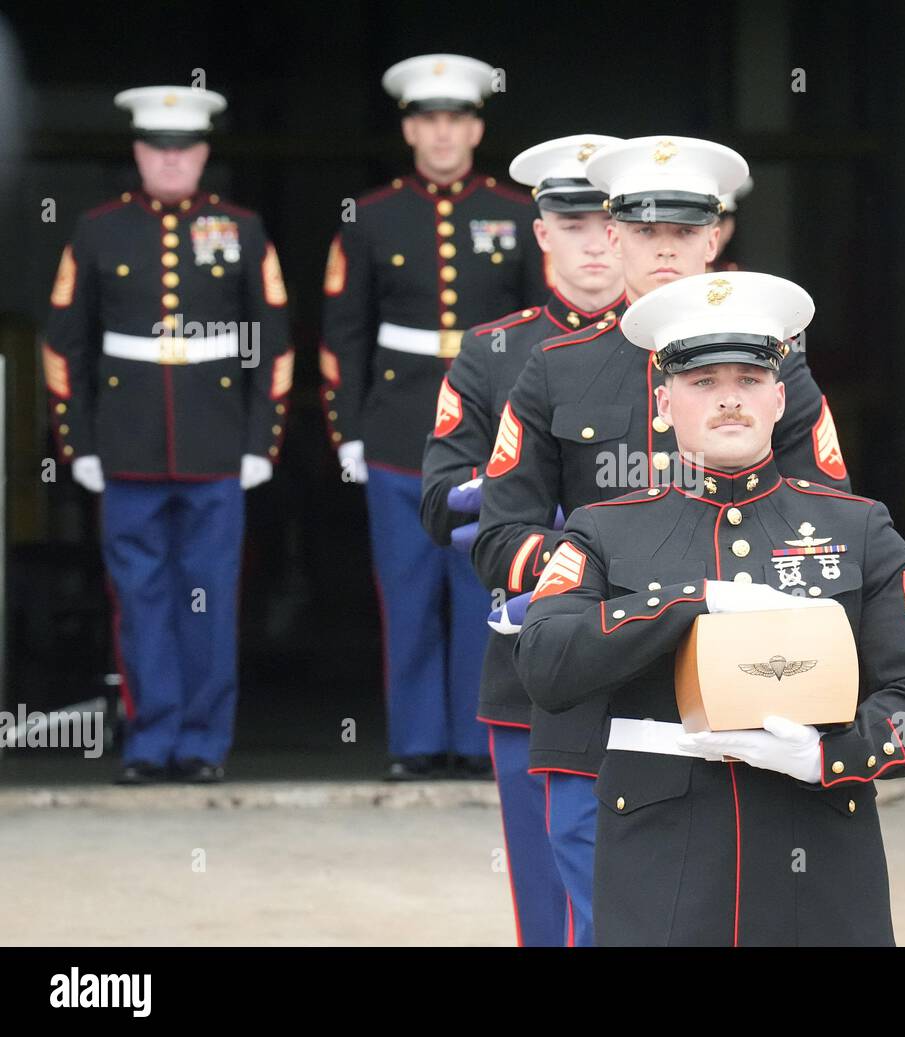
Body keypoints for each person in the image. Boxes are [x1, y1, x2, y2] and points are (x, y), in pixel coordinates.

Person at [474, 136, 852, 946]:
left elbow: (829, 530)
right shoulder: (553, 369)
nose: (666, 249)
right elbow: (499, 536)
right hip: (597, 708)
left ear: (716, 239)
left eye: (686, 232)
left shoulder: (778, 370)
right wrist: (616, 592)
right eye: (646, 233)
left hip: (744, 701)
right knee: (610, 925)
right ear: (612, 237)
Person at [514, 271, 905, 945]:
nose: (729, 399)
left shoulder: (860, 528)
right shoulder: (602, 529)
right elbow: (544, 662)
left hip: (820, 860)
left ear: (780, 398)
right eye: (703, 383)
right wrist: (689, 603)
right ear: (665, 402)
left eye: (749, 380)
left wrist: (829, 755)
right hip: (663, 865)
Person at [41, 86, 292, 784]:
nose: (171, 160)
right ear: (139, 152)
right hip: (127, 447)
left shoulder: (240, 228)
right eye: (158, 148)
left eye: (184, 149)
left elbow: (267, 342)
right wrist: (79, 443)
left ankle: (204, 744)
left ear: (204, 153)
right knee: (141, 601)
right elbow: (66, 345)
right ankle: (150, 741)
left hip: (215, 448)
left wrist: (258, 440)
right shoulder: (98, 230)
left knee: (209, 597)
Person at [419, 133, 626, 946]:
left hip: (665, 646)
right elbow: (440, 500)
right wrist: (539, 509)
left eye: (615, 223)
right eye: (576, 224)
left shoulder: (680, 349)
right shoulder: (495, 350)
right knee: (547, 901)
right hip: (534, 657)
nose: (598, 243)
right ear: (542, 232)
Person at [320, 54, 546, 781]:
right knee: (409, 591)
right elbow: (343, 332)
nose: (442, 134)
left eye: (456, 120)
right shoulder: (371, 216)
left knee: (485, 587)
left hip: (493, 431)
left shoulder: (518, 214)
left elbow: (540, 330)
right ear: (409, 129)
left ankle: (481, 739)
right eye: (428, 120)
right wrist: (346, 429)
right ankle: (416, 743)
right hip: (397, 430)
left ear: (476, 127)